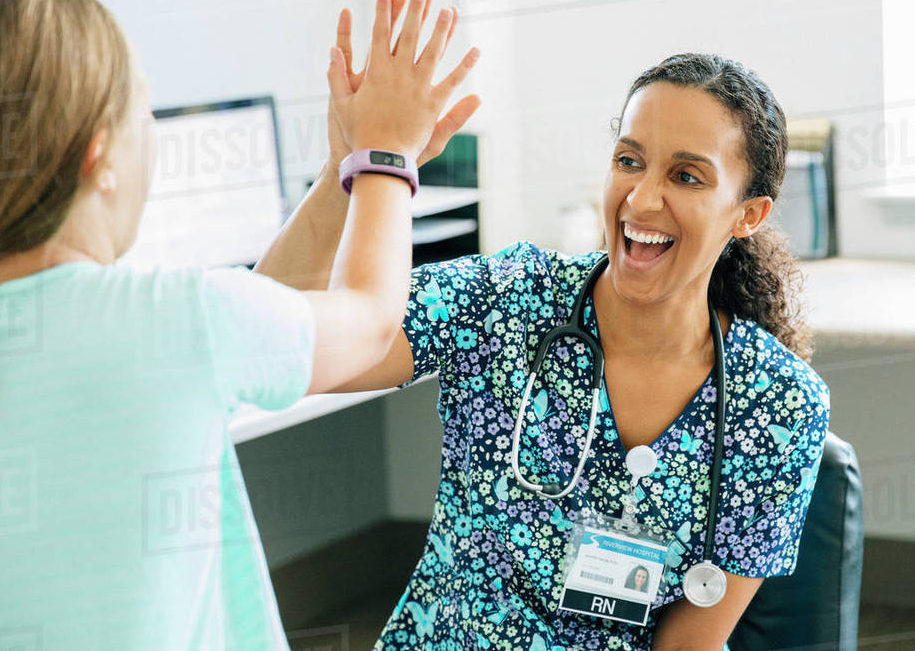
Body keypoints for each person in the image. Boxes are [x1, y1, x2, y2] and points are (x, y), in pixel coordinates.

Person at [0, 0, 478, 649]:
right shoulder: (177, 321)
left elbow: (260, 317)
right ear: (99, 156)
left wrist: (344, 175)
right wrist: (388, 158)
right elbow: (369, 321)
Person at [263, 35, 830, 649]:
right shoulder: (507, 300)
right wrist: (345, 167)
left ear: (748, 214)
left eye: (686, 176)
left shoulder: (778, 405)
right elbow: (271, 343)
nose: (640, 199)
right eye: (629, 161)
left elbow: (690, 641)